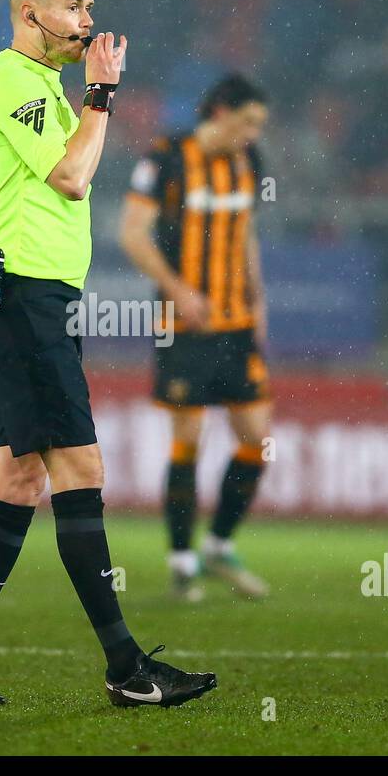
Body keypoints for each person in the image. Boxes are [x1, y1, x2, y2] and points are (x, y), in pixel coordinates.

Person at [0, 0, 217, 708]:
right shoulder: (11, 83)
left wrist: (88, 100)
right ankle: (127, 670)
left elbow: (70, 169)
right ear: (31, 14)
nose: (88, 22)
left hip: (34, 303)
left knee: (20, 480)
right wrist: (103, 97)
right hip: (18, 301)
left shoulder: (44, 90)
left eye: (90, 8)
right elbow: (73, 177)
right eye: (75, 8)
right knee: (81, 471)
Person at [119, 75, 272, 602]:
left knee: (257, 436)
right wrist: (178, 290)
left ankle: (220, 544)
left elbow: (246, 231)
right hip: (182, 324)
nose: (253, 134)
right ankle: (183, 561)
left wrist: (259, 297)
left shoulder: (249, 163)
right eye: (248, 122)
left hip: (236, 324)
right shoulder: (166, 158)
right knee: (189, 435)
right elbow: (132, 232)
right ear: (222, 112)